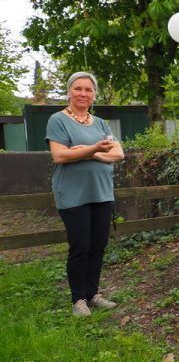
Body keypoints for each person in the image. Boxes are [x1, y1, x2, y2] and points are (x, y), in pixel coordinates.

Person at [46, 71, 125, 317]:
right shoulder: (57, 120)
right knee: (80, 246)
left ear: (94, 95)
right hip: (73, 195)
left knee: (98, 245)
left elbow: (119, 154)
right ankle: (78, 299)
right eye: (78, 89)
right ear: (69, 92)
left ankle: (93, 294)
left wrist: (90, 153)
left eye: (88, 90)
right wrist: (95, 149)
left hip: (101, 193)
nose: (83, 93)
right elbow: (59, 155)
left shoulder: (100, 123)